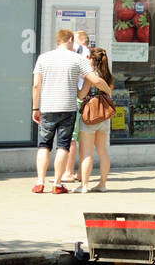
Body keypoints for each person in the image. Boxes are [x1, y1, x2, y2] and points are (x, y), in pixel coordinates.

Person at [31, 29, 110, 194]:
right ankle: (58, 184)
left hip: (47, 107)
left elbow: (36, 85)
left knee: (44, 145)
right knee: (63, 146)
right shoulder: (77, 58)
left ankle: (40, 181)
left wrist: (35, 107)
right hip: (68, 108)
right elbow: (93, 79)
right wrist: (108, 91)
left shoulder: (43, 58)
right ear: (71, 39)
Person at [75, 47, 115, 194]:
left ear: (92, 59)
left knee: (86, 152)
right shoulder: (108, 76)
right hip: (104, 117)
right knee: (102, 150)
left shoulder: (90, 76)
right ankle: (102, 183)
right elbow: (108, 91)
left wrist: (75, 86)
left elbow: (81, 95)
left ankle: (84, 185)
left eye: (87, 57)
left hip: (90, 116)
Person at [61, 30, 91, 184]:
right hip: (82, 97)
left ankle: (68, 172)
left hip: (76, 97)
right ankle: (80, 172)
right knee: (81, 137)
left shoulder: (79, 53)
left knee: (72, 138)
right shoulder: (86, 53)